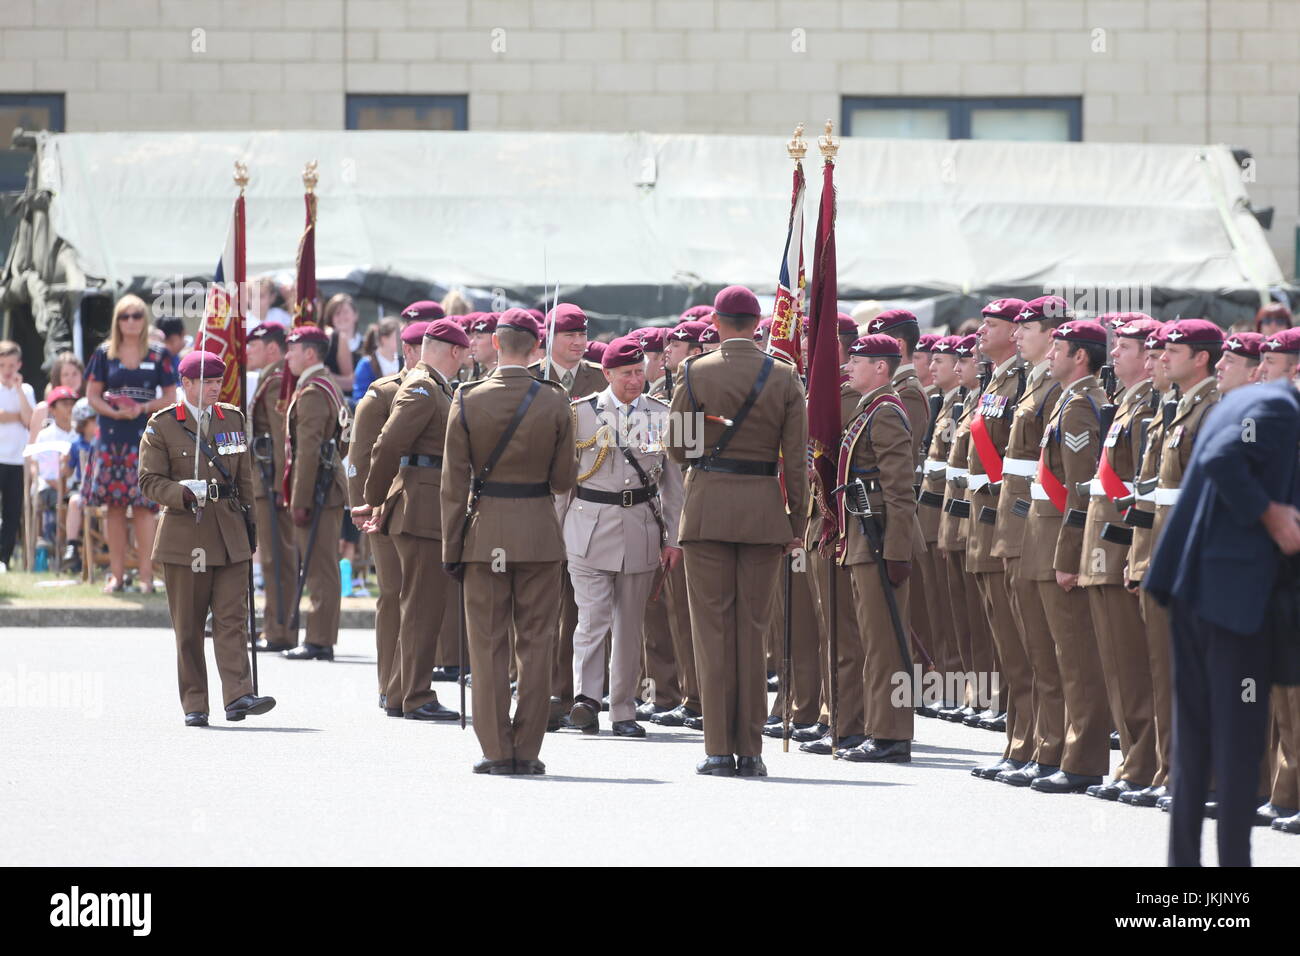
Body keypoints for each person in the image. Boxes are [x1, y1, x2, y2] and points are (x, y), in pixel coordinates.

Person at [1145, 376, 1300, 865]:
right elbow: (1224, 458)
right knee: (1239, 740)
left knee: (1195, 740)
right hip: (1231, 605)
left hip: (1196, 591)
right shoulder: (1275, 411)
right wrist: (1271, 515)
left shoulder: (1249, 399)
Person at [667, 285, 808, 777]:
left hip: (707, 510)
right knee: (753, 632)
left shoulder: (694, 371)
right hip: (763, 514)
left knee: (711, 633)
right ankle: (751, 750)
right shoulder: (786, 377)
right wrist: (797, 524)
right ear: (756, 323)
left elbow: (679, 450)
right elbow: (796, 461)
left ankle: (717, 749)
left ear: (719, 323)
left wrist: (710, 432)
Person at [441, 309, 576, 774]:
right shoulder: (555, 401)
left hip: (486, 536)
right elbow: (563, 480)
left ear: (496, 345)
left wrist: (451, 548)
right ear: (536, 348)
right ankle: (529, 750)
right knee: (537, 644)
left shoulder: (467, 398)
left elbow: (452, 485)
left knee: (489, 644)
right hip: (539, 533)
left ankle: (496, 749)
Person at [137, 351, 275, 727]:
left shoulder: (232, 419)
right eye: (207, 382)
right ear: (187, 384)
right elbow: (148, 481)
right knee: (190, 624)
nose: (215, 388)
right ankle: (195, 702)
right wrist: (181, 491)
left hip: (230, 533)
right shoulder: (162, 425)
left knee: (232, 618)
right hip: (186, 534)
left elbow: (245, 480)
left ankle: (238, 695)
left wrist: (251, 533)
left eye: (218, 382)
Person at [363, 318, 469, 722]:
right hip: (420, 507)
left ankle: (398, 692)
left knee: (417, 605)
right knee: (422, 606)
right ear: (455, 352)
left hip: (424, 505)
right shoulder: (423, 386)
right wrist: (375, 497)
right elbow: (388, 443)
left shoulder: (433, 385)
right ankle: (416, 695)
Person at [1078, 315, 1161, 800]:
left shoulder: (1147, 406)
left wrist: (1133, 552)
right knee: (1118, 665)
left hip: (1123, 547)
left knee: (1134, 667)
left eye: (1126, 346)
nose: (1116, 354)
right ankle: (1133, 762)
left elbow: (1141, 492)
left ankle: (1144, 764)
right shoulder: (1128, 403)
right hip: (1107, 547)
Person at [833, 333, 918, 761]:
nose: (848, 366)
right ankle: (878, 728)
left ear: (881, 367)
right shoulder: (869, 408)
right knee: (874, 641)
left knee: (887, 643)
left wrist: (898, 552)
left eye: (857, 360)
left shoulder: (885, 412)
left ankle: (892, 734)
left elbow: (900, 489)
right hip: (864, 535)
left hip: (881, 538)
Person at [348, 315, 426, 710]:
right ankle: (389, 682)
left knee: (420, 598)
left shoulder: (443, 389)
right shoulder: (384, 393)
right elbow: (360, 455)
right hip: (385, 509)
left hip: (425, 510)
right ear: (407, 351)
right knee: (394, 595)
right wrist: (362, 506)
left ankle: (411, 683)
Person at [83, 296, 179, 591]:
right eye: (125, 316)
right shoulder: (103, 353)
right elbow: (92, 395)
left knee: (144, 508)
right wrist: (113, 411)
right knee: (113, 508)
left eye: (137, 315)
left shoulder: (158, 353)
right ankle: (117, 575)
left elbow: (171, 396)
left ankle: (147, 576)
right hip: (111, 439)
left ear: (144, 318)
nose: (131, 322)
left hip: (146, 439)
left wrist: (142, 407)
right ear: (117, 321)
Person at [282, 325, 349, 660]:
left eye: (291, 350)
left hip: (318, 490)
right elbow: (345, 439)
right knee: (324, 565)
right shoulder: (327, 385)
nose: (287, 356)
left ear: (309, 353)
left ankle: (320, 639)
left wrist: (300, 500)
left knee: (320, 567)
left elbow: (306, 452)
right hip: (327, 486)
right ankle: (319, 636)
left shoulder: (311, 391)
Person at [244, 322, 299, 653]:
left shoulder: (276, 379)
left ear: (273, 349)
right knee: (274, 559)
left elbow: (280, 440)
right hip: (265, 478)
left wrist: (281, 486)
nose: (248, 350)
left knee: (278, 559)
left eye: (255, 344)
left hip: (270, 481)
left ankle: (279, 631)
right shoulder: (272, 377)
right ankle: (275, 626)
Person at [0, 340, 35, 571]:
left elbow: (29, 420)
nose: (7, 370)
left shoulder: (28, 390)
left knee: (12, 512)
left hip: (17, 460)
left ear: (19, 364)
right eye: (3, 365)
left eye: (12, 364)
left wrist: (19, 391)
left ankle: (3, 558)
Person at [25, 350, 85, 446]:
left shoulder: (89, 407)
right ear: (58, 377)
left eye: (75, 374)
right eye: (65, 375)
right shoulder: (43, 410)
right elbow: (32, 451)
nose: (71, 379)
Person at [352, 316, 403, 402]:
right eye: (397, 336)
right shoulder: (366, 364)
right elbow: (359, 397)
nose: (401, 339)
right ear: (384, 339)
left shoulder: (403, 361)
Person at [321, 293, 362, 392]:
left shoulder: (368, 345)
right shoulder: (325, 343)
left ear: (355, 315)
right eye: (337, 313)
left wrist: (329, 376)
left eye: (345, 312)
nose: (341, 317)